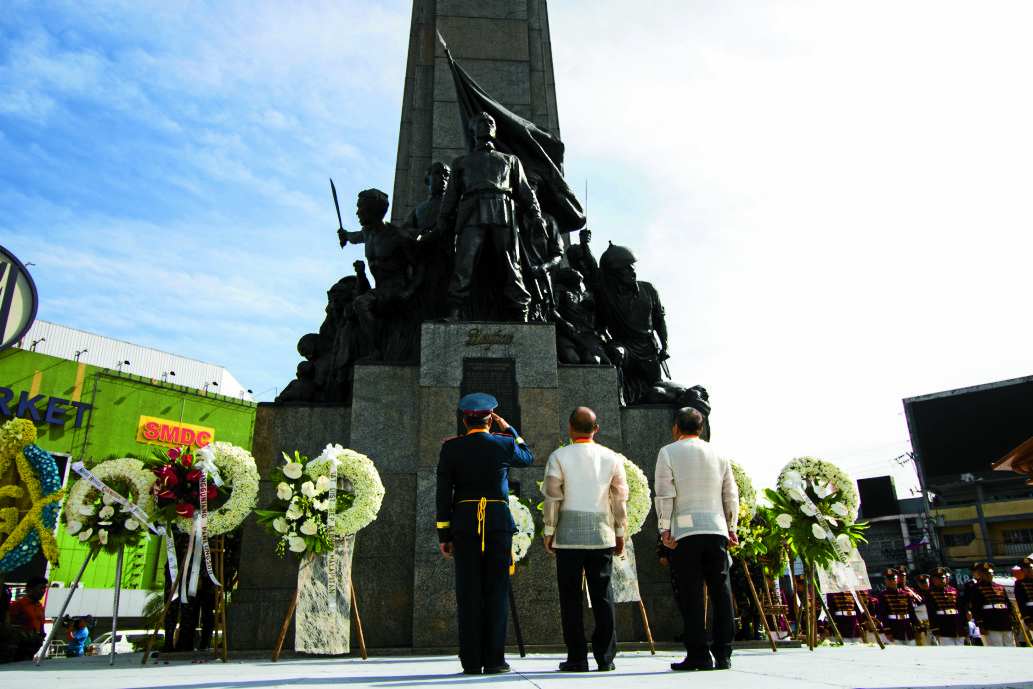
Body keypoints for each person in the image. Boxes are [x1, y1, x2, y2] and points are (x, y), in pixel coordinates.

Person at [436, 393, 533, 675]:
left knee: (467, 592)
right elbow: (527, 458)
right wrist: (511, 430)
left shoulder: (451, 448)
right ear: (490, 420)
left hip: (464, 526)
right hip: (497, 525)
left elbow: (443, 495)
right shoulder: (504, 443)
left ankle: (470, 661)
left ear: (465, 420)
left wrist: (445, 534)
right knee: (496, 591)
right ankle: (493, 660)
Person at [429, 112, 547, 322]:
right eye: (481, 122)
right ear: (472, 129)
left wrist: (536, 215)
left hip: (502, 210)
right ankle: (455, 311)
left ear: (495, 129)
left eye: (490, 122)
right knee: (464, 264)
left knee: (511, 264)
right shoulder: (460, 163)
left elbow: (525, 191)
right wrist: (441, 223)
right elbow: (451, 197)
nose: (487, 125)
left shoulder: (510, 161)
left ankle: (521, 312)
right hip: (471, 211)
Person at [541, 406, 628, 672]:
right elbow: (619, 498)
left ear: (569, 428)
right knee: (602, 596)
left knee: (570, 598)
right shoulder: (611, 457)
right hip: (601, 534)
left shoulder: (558, 456)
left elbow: (552, 496)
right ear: (596, 429)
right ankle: (605, 658)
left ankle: (577, 657)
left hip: (567, 535)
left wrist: (549, 530)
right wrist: (620, 531)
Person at [654, 407, 738, 671]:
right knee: (721, 591)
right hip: (715, 529)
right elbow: (730, 493)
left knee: (691, 594)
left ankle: (698, 655)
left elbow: (664, 493)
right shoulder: (719, 454)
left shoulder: (668, 452)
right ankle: (724, 654)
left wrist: (664, 528)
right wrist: (732, 526)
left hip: (685, 531)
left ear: (676, 427)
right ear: (702, 429)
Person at [339, 189, 422, 360]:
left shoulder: (399, 237)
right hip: (380, 290)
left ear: (371, 209)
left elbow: (420, 267)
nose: (356, 212)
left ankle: (375, 352)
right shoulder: (368, 233)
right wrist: (345, 236)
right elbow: (354, 237)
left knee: (361, 303)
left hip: (398, 290)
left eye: (359, 207)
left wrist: (410, 291)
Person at [967, 562, 1016, 646]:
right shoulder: (976, 588)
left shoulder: (1000, 587)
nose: (989, 576)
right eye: (986, 574)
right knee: (996, 646)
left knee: (1010, 644)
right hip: (990, 622)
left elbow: (1008, 605)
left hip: (1005, 621)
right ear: (981, 574)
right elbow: (976, 607)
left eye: (990, 573)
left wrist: (1014, 622)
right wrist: (981, 624)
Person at [7, 576, 47, 662]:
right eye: (40, 588)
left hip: (33, 648)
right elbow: (10, 626)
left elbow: (41, 626)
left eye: (44, 588)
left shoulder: (40, 607)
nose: (43, 591)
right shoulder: (18, 604)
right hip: (18, 648)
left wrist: (40, 639)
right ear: (30, 589)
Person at [875, 568, 919, 645]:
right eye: (890, 580)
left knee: (912, 647)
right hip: (894, 627)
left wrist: (918, 626)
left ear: (897, 580)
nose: (892, 582)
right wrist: (888, 631)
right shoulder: (883, 595)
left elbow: (911, 612)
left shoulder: (905, 594)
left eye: (894, 579)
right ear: (886, 581)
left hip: (907, 626)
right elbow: (883, 614)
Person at [926, 567, 966, 646]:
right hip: (943, 625)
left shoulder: (953, 590)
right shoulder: (930, 593)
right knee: (948, 648)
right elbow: (931, 613)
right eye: (938, 578)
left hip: (957, 623)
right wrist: (936, 629)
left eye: (943, 578)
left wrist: (964, 626)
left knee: (961, 647)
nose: (942, 580)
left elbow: (960, 610)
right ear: (933, 580)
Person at [1016, 557, 1033, 630]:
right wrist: (1027, 620)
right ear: (1022, 570)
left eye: (1030, 567)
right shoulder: (1020, 584)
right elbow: (1021, 603)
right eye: (1026, 568)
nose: (1029, 570)